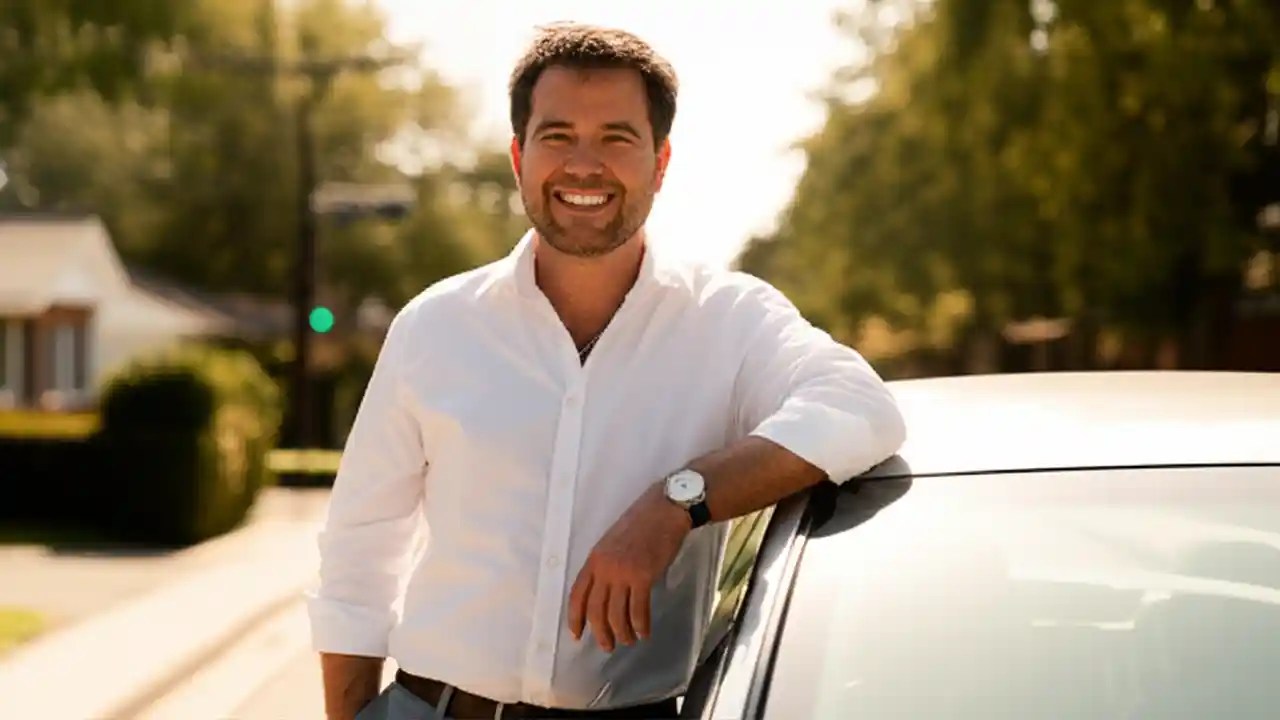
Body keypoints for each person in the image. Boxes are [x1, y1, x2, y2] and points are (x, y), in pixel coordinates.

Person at [308, 21, 907, 720]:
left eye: (616, 138)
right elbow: (358, 555)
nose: (584, 165)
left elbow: (861, 405)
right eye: (557, 136)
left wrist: (676, 503)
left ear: (660, 161)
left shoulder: (728, 320)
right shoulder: (433, 327)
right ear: (518, 157)